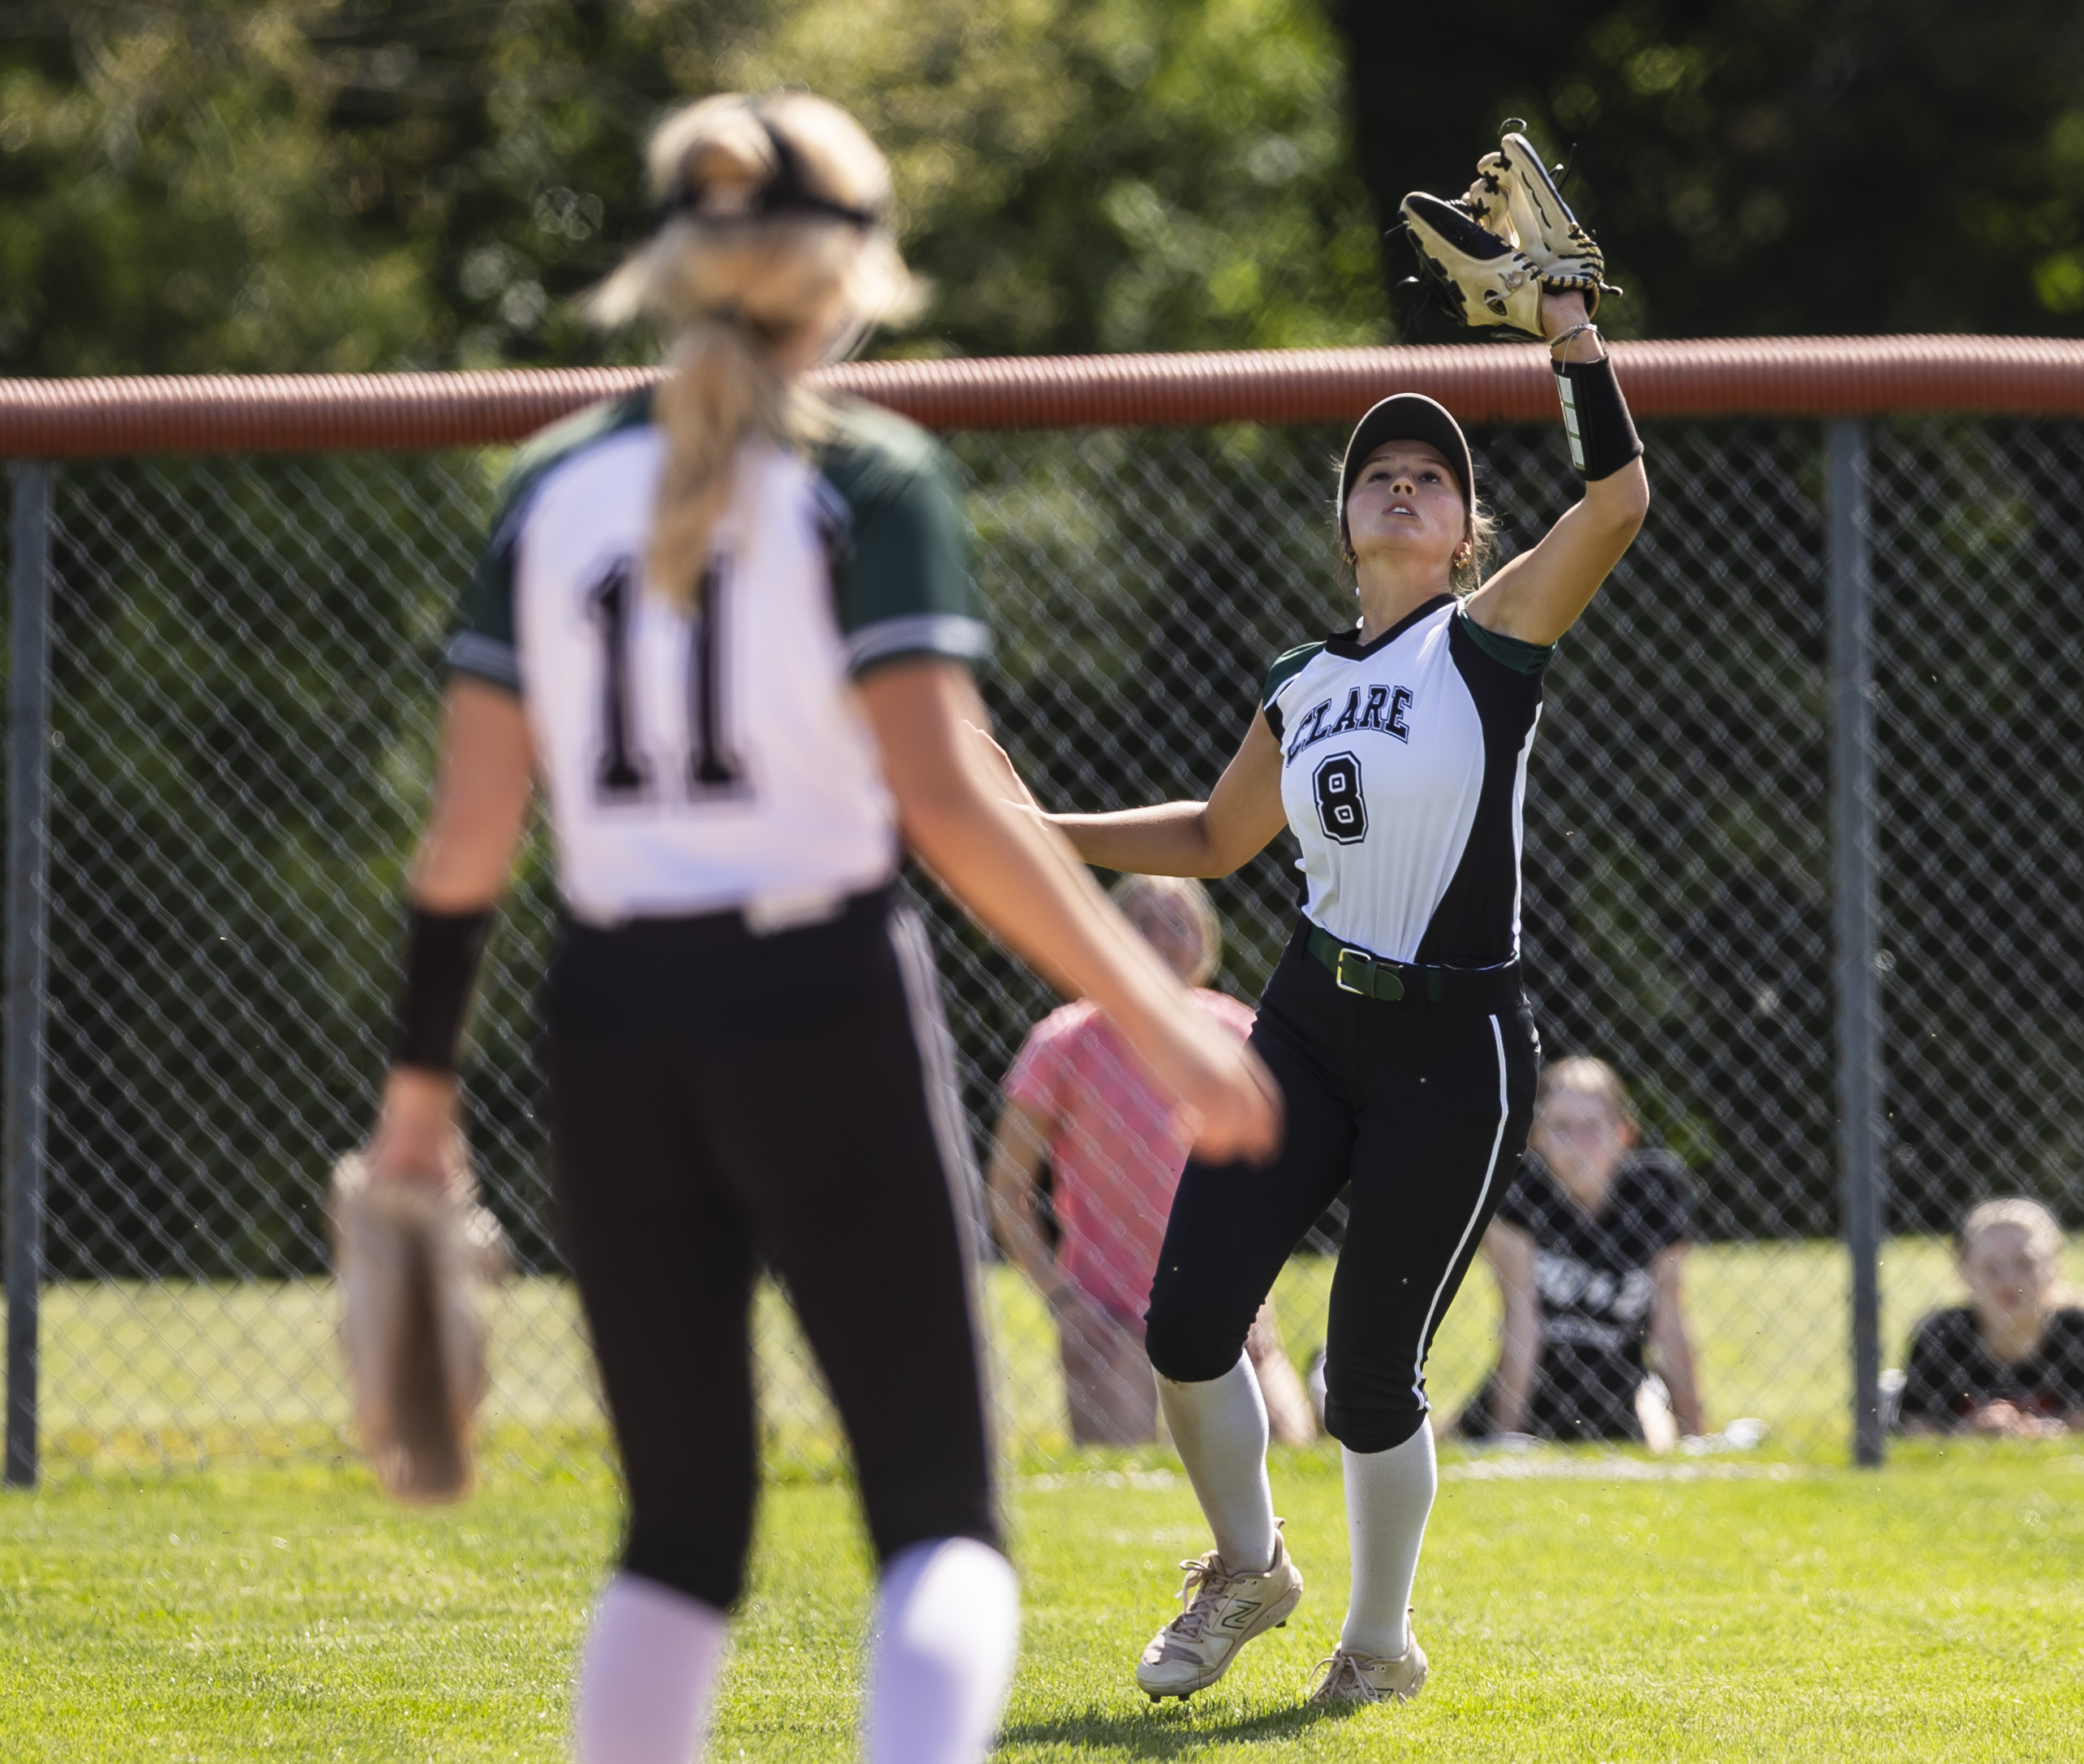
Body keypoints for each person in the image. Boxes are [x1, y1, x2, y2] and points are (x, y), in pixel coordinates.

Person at [360, 93, 1279, 1764]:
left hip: (609, 1016)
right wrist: (1156, 1025)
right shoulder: (869, 477)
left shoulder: (551, 486)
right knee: (940, 1520)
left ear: (669, 262)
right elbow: (943, 805)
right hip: (818, 999)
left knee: (681, 1533)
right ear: (851, 274)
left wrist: (418, 1101)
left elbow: (466, 837)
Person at [999, 160, 1651, 1703]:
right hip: (1304, 1017)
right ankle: (1246, 1566)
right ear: (1347, 518)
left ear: (1464, 527)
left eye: (1430, 475)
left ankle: (1377, 1640)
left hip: (1449, 1042)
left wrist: (1567, 325)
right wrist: (1044, 835)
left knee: (1367, 1373)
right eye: (1378, 472)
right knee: (1182, 1319)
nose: (1402, 483)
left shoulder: (1488, 637)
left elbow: (1618, 499)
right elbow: (1221, 839)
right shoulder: (1301, 680)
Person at [986, 876, 1318, 1448]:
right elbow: (1006, 1188)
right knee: (1119, 1471)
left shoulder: (1239, 1034)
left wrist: (1252, 1291)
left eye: (1179, 923)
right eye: (1141, 920)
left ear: (1205, 943)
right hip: (1107, 1312)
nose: (1161, 937)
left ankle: (1319, 1388)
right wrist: (1064, 1300)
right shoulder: (1063, 1041)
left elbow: (1282, 1180)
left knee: (1285, 1453)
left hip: (1224, 1298)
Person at [1452, 1056, 1704, 1447]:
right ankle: (1328, 1383)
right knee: (1443, 1443)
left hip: (1626, 1386)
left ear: (1624, 1134)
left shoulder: (1657, 1190)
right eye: (1561, 1128)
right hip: (1535, 1381)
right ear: (1536, 1137)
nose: (1577, 1145)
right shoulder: (1518, 1192)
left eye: (1592, 1127)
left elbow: (1669, 1323)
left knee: (1661, 1439)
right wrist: (1508, 1436)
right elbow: (1521, 1323)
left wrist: (1696, 1435)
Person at [1899, 1197, 2084, 1438]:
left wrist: (2049, 1431)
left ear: (2054, 1268)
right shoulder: (1941, 1333)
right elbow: (1916, 1422)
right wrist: (1968, 1431)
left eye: (2025, 1264)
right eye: (1992, 1267)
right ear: (1965, 1272)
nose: (2009, 1281)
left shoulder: (2080, 1327)